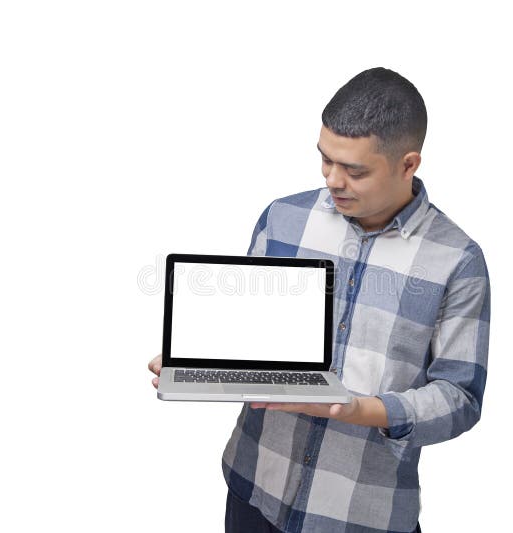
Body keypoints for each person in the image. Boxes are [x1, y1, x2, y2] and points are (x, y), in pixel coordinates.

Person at [149, 67, 490, 533]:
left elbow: (460, 397)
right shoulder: (284, 217)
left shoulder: (457, 260)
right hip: (254, 490)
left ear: (408, 164)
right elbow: (251, 333)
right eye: (325, 159)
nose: (333, 180)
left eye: (355, 170)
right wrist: (202, 355)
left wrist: (361, 409)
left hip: (362, 515)